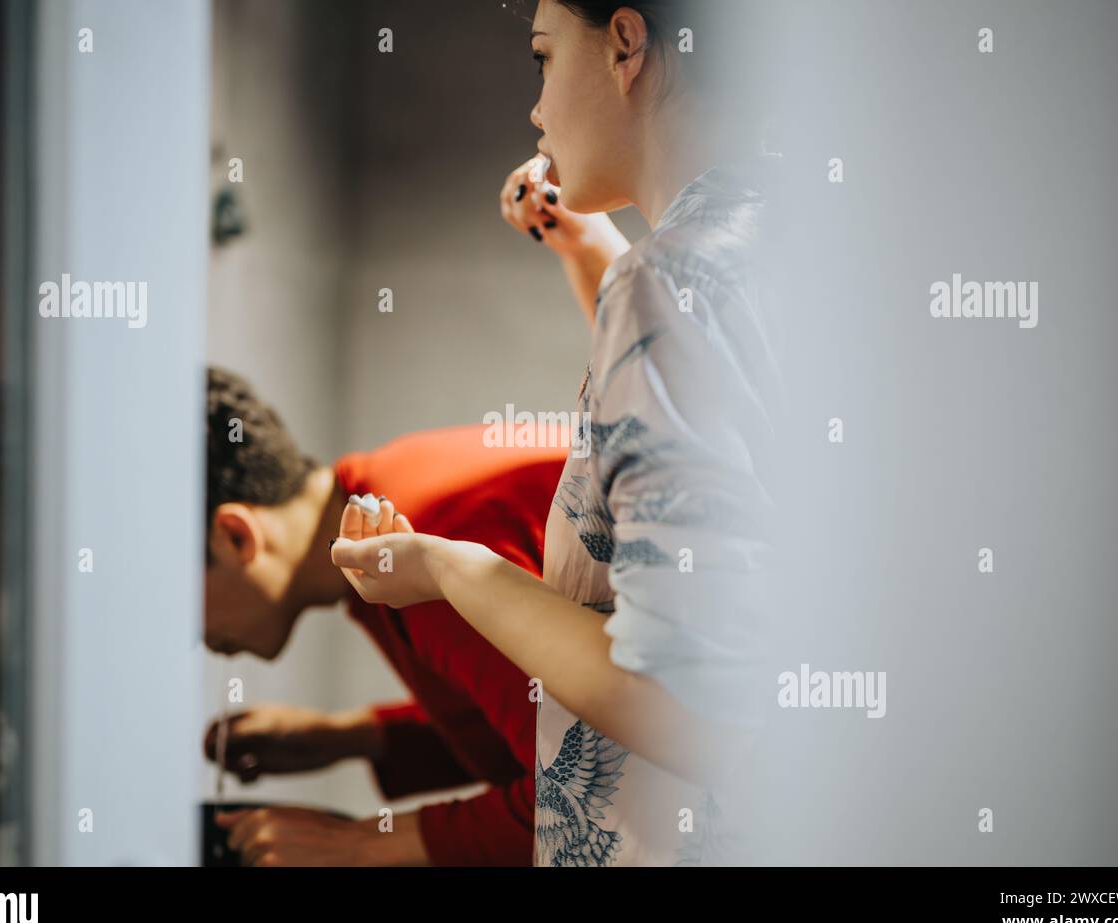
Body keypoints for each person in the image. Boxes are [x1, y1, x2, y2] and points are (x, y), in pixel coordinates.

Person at [331, 0, 783, 865]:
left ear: (624, 46)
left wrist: (448, 568)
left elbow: (688, 702)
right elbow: (709, 413)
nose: (536, 110)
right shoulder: (786, 239)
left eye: (542, 57)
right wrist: (591, 252)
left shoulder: (665, 283)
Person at [202, 366, 567, 865]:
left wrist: (354, 845)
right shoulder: (396, 484)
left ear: (235, 537)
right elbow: (554, 711)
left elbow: (586, 794)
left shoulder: (421, 540)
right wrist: (359, 737)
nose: (193, 638)